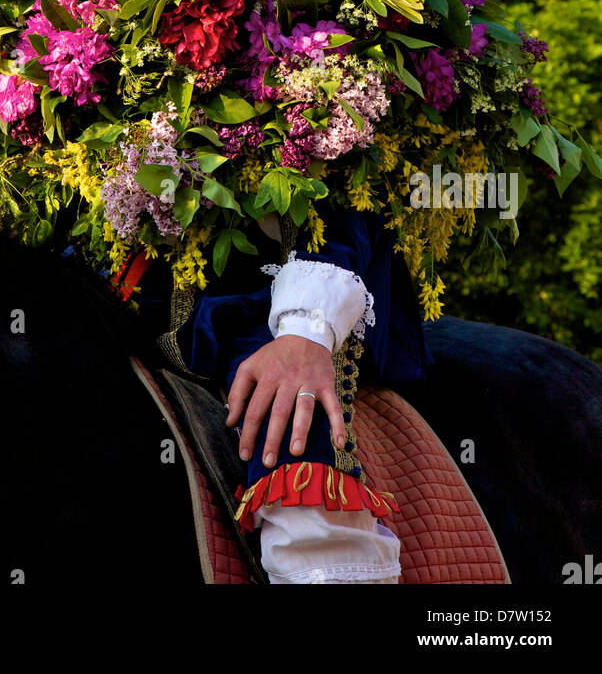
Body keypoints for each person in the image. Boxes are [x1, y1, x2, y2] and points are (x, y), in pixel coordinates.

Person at [143, 200, 431, 584]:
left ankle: (328, 566)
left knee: (292, 430)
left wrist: (306, 329)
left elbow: (346, 182)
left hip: (279, 286)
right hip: (131, 282)